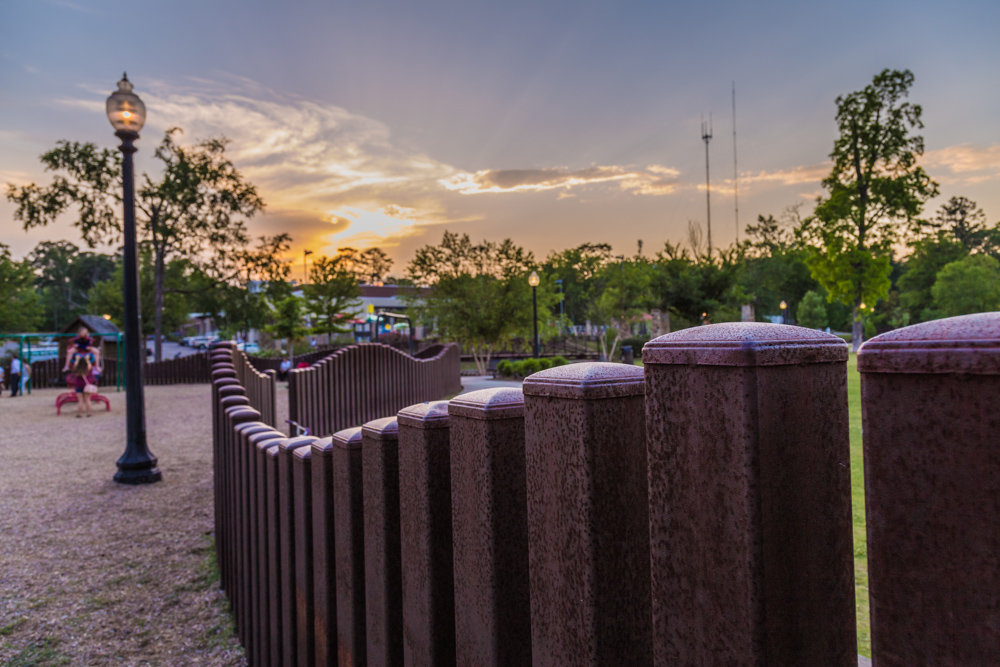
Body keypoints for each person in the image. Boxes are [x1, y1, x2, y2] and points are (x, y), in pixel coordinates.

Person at [69, 353, 96, 418]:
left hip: (78, 384)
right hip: (86, 385)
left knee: (80, 400)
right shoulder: (87, 368)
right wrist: (87, 359)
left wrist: (77, 359)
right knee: (87, 400)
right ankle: (88, 413)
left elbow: (75, 364)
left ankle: (79, 414)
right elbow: (90, 365)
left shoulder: (76, 368)